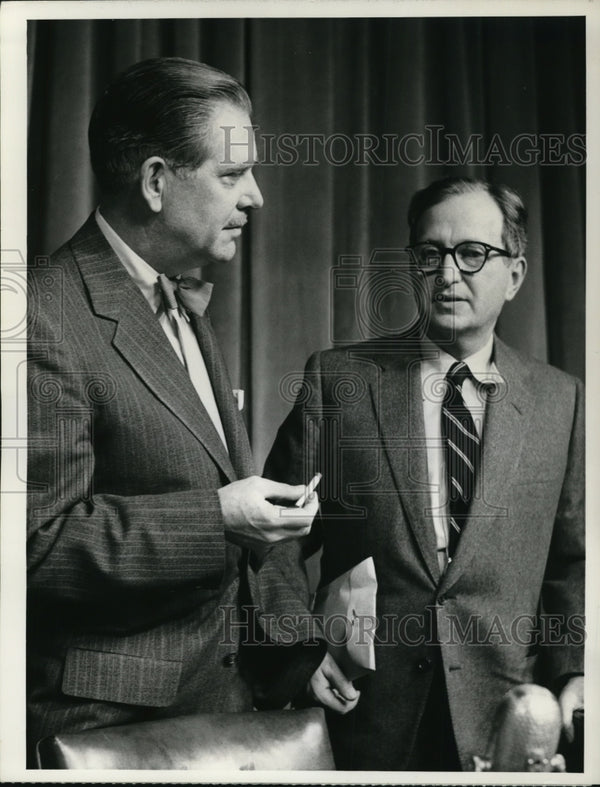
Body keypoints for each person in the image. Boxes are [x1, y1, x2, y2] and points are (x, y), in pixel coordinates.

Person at [26, 57, 339, 766]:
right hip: (106, 734)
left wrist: (293, 655)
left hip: (221, 717)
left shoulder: (182, 304)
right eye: (231, 176)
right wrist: (219, 516)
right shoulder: (39, 314)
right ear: (157, 181)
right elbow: (36, 546)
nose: (256, 196)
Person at [265, 177, 584, 770]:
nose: (447, 274)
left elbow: (572, 564)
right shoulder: (341, 382)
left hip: (507, 722)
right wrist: (300, 654)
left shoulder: (560, 401)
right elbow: (273, 542)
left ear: (514, 274)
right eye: (429, 255)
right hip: (364, 715)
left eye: (471, 254)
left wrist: (576, 670)